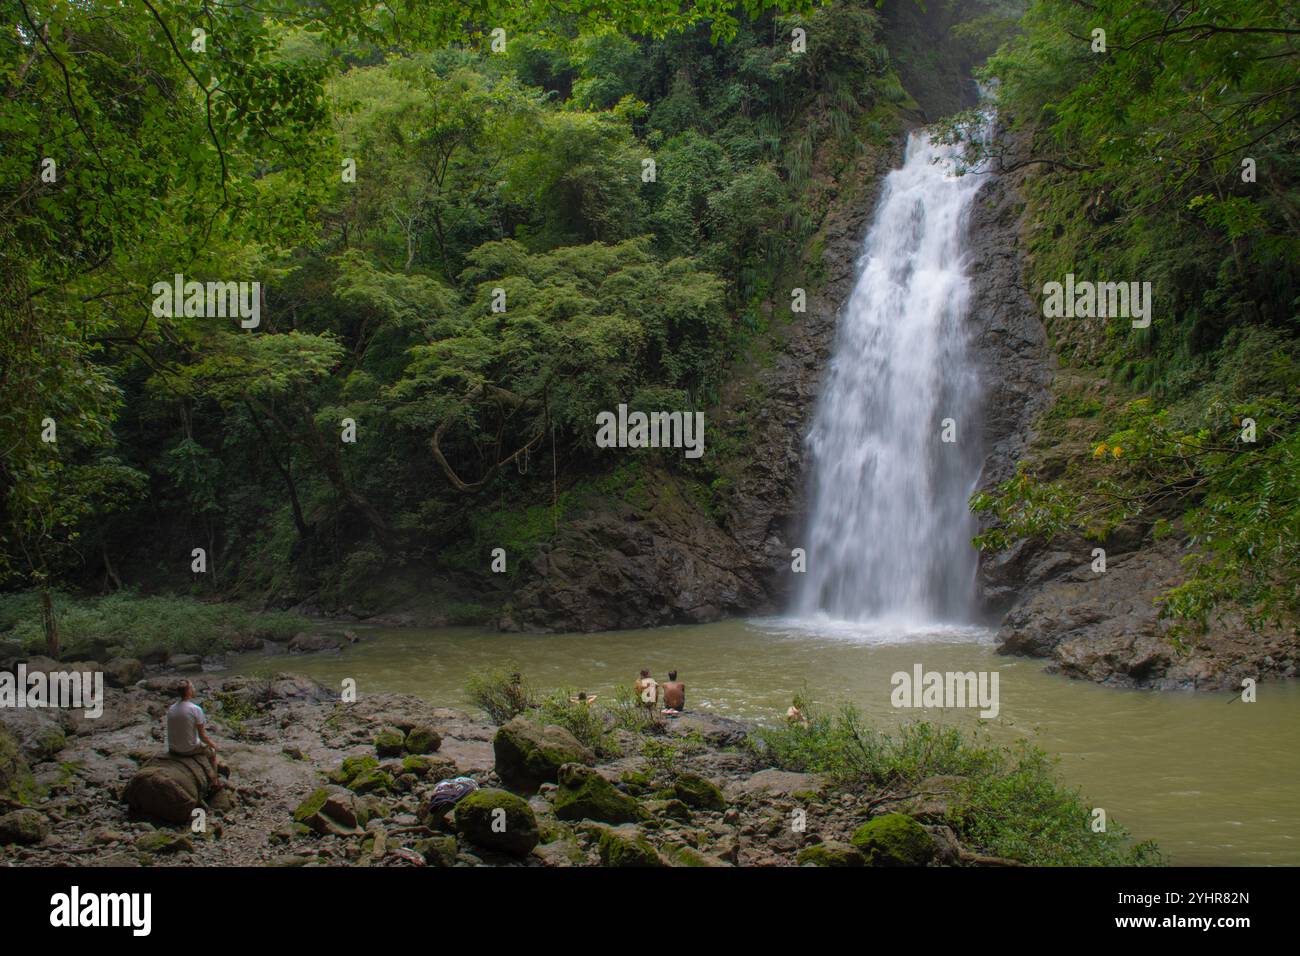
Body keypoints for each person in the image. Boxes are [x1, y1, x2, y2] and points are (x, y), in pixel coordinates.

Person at [167, 680, 219, 779]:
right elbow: (202, 736)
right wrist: (213, 745)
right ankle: (214, 781)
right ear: (189, 691)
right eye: (192, 687)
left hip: (172, 748)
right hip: (188, 749)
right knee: (212, 752)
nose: (194, 689)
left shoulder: (171, 708)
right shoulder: (195, 709)